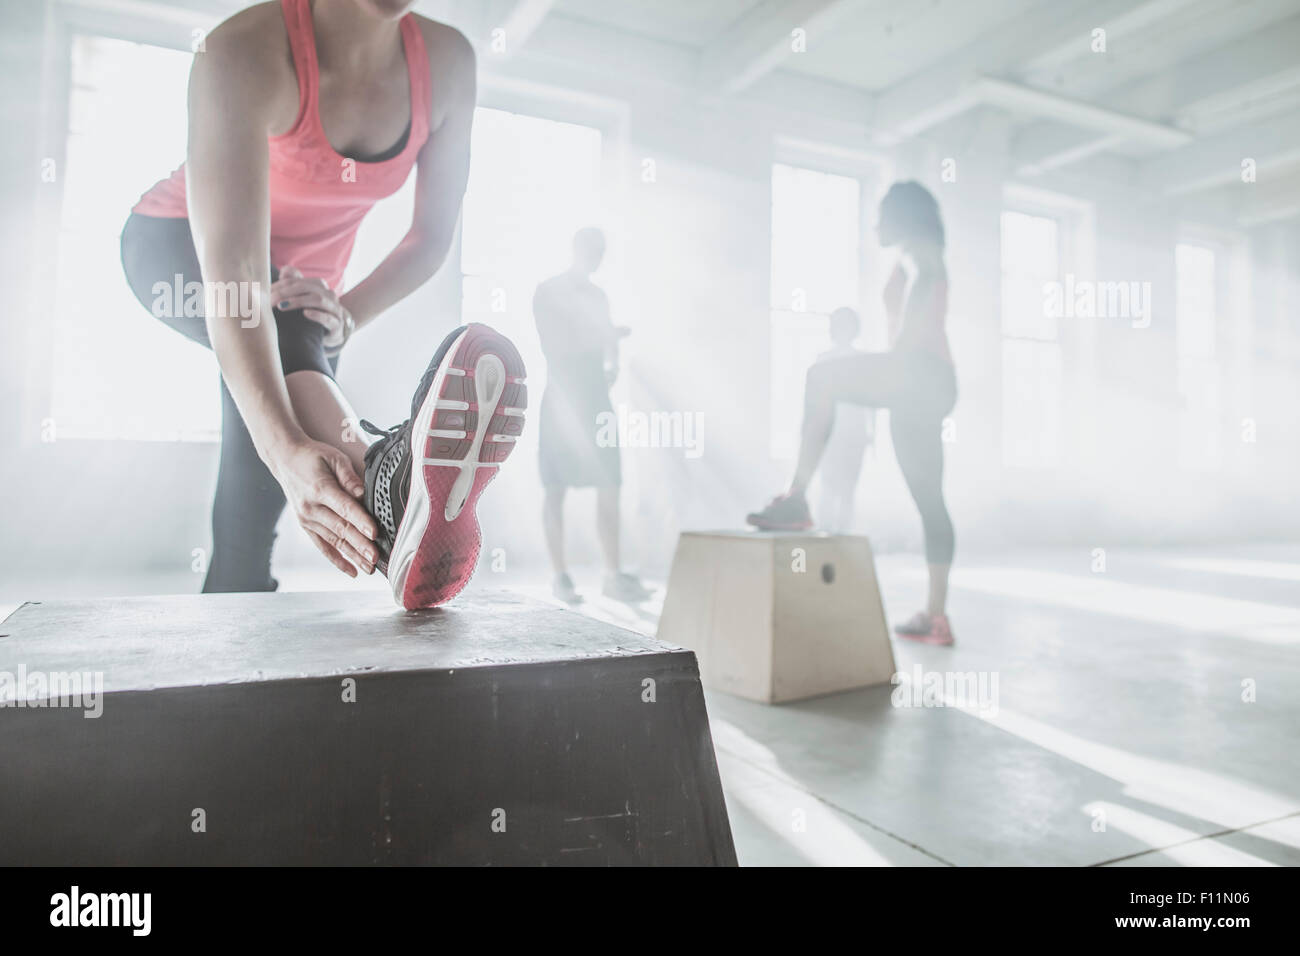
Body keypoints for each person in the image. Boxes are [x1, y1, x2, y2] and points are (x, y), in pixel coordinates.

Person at [118, 0, 525, 609]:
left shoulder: (449, 64)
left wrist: (348, 314)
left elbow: (430, 238)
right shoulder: (240, 50)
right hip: (176, 248)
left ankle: (239, 588)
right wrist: (284, 453)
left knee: (250, 508)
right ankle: (384, 474)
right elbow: (238, 276)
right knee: (277, 393)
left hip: (299, 297)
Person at [747, 182, 958, 645]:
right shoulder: (919, 251)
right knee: (930, 499)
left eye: (883, 215)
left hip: (918, 373)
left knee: (821, 378)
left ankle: (797, 499)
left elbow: (924, 293)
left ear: (904, 217)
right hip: (927, 384)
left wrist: (895, 364)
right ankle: (936, 617)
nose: (877, 225)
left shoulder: (919, 252)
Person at [534, 228, 651, 604]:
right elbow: (555, 343)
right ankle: (560, 576)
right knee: (555, 487)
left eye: (602, 251)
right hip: (562, 401)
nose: (597, 257)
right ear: (576, 249)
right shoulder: (548, 290)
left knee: (610, 483)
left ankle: (613, 574)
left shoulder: (600, 296)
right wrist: (603, 333)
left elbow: (608, 347)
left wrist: (612, 361)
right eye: (593, 250)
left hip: (595, 400)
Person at [813, 307, 874, 533]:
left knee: (847, 488)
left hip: (853, 433)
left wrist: (871, 433)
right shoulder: (824, 360)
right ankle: (826, 530)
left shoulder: (862, 360)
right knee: (829, 484)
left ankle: (842, 532)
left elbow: (870, 399)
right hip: (831, 432)